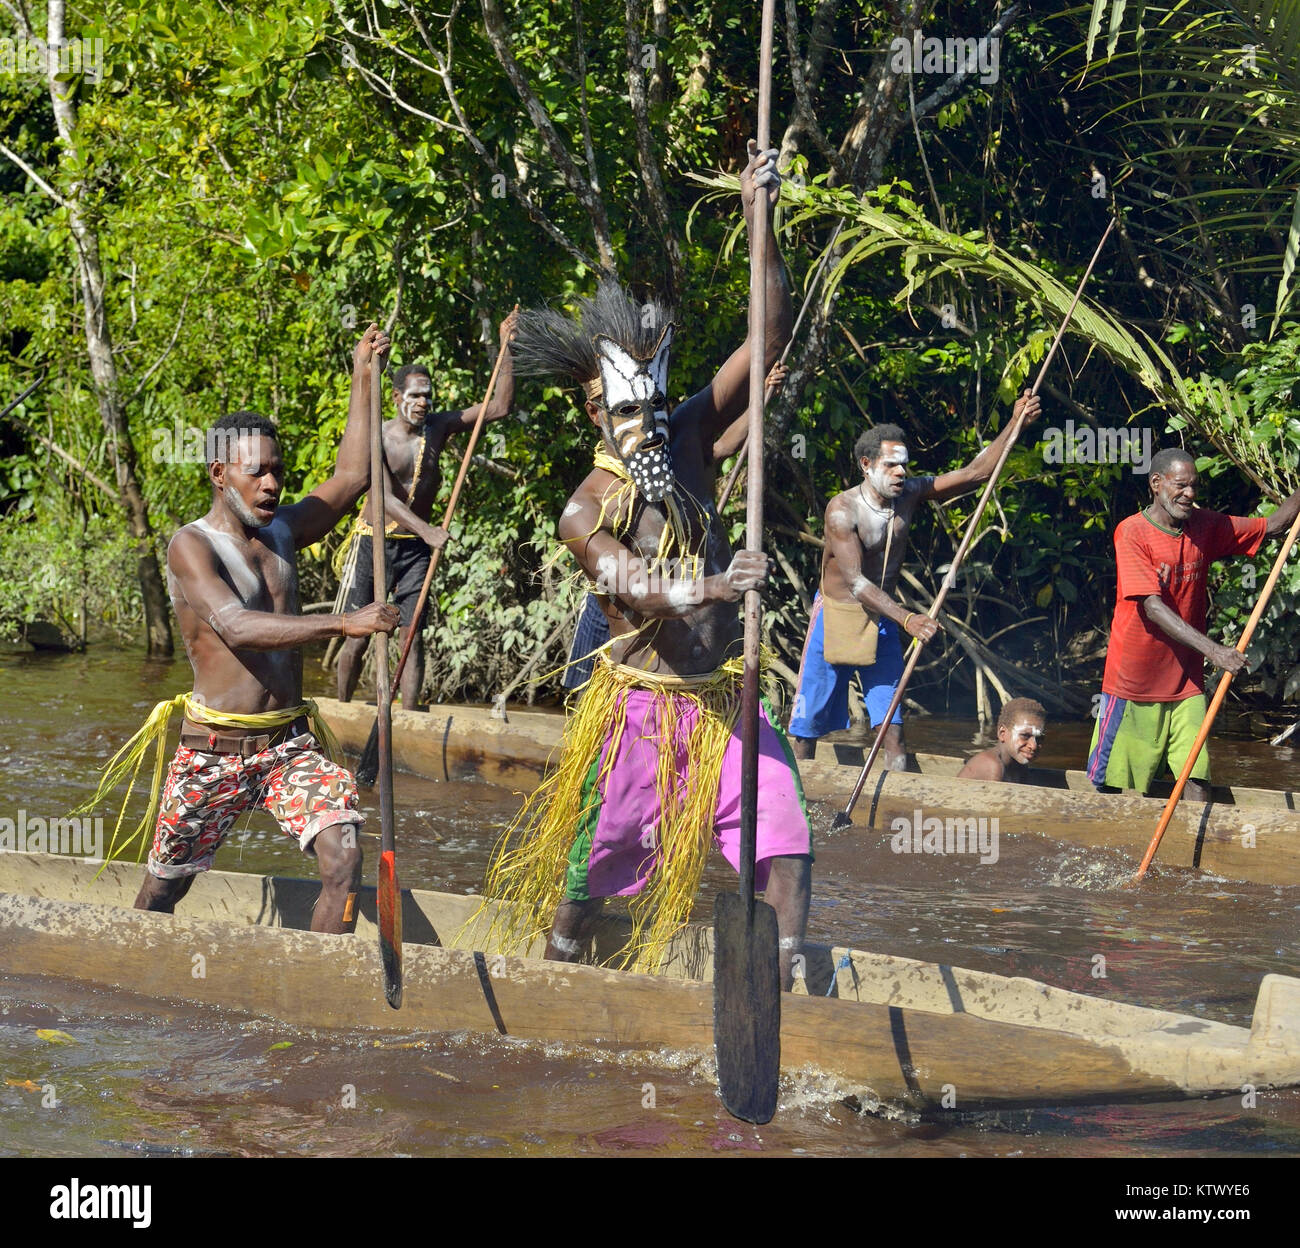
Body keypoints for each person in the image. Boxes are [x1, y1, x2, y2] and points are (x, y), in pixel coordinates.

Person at [479, 142, 811, 987]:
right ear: (591, 410)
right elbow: (634, 587)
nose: (646, 419)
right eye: (623, 407)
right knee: (598, 873)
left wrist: (758, 220)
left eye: (652, 402)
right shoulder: (585, 508)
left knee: (786, 837)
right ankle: (559, 965)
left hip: (722, 700)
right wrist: (716, 583)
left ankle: (783, 985)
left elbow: (767, 329)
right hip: (639, 713)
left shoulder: (694, 437)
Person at [80, 327, 400, 932]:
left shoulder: (283, 530)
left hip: (287, 744)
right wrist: (345, 621)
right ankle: (135, 956)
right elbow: (236, 625)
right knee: (164, 888)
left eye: (278, 472)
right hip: (214, 750)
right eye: (258, 473)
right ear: (219, 473)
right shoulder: (190, 547)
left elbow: (353, 477)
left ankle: (314, 996)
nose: (273, 485)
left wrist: (364, 373)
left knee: (345, 857)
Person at [788, 397, 1040, 769]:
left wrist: (1015, 423)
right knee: (807, 728)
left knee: (892, 728)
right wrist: (908, 619)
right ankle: (795, 794)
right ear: (866, 465)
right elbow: (857, 583)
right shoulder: (842, 511)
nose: (900, 473)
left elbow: (975, 474)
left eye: (904, 465)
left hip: (883, 621)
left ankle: (895, 803)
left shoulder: (909, 495)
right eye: (890, 465)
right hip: (837, 618)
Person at [1087, 447, 1300, 800]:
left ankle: (1193, 855)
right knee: (1113, 786)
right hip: (1134, 684)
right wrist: (1215, 651)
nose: (1189, 494)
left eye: (1194, 487)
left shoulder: (1205, 526)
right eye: (1181, 486)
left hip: (1186, 682)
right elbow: (1152, 607)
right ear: (1156, 483)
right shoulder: (1132, 533)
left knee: (1196, 778)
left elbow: (1274, 526)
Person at [336, 311, 518, 709]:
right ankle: (342, 712)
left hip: (414, 548)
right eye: (414, 396)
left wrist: (507, 348)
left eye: (427, 396)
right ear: (397, 397)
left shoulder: (437, 427)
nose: (422, 403)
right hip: (373, 542)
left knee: (411, 629)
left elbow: (499, 406)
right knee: (357, 633)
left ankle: (408, 715)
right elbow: (381, 497)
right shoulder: (377, 435)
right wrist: (428, 531)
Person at [957, 698, 1046, 782]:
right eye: (1025, 736)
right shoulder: (993, 766)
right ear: (1002, 733)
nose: (1033, 746)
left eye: (1039, 738)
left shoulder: (1020, 766)